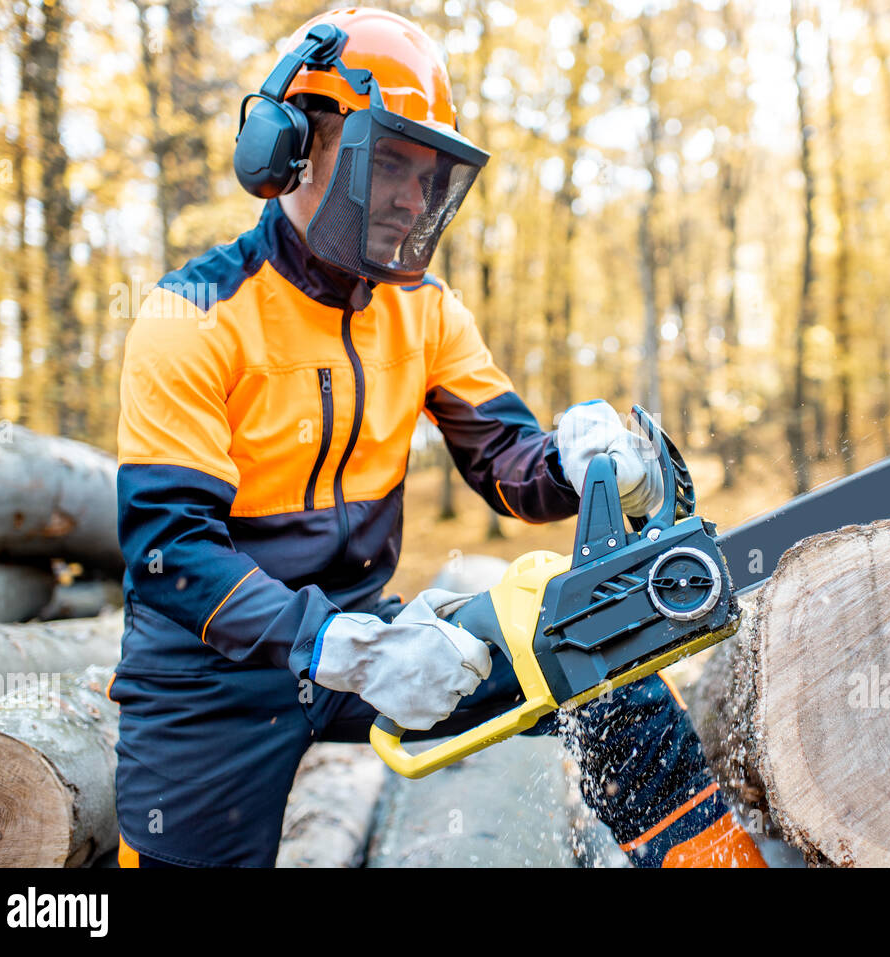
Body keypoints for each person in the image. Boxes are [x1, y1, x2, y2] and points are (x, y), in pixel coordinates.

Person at [110, 6, 766, 868]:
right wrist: (336, 646)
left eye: (430, 176)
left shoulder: (423, 311)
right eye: (391, 163)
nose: (413, 199)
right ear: (289, 145)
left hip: (378, 633)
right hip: (212, 671)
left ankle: (713, 859)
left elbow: (508, 465)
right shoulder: (193, 319)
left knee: (595, 643)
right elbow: (172, 556)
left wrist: (581, 465)